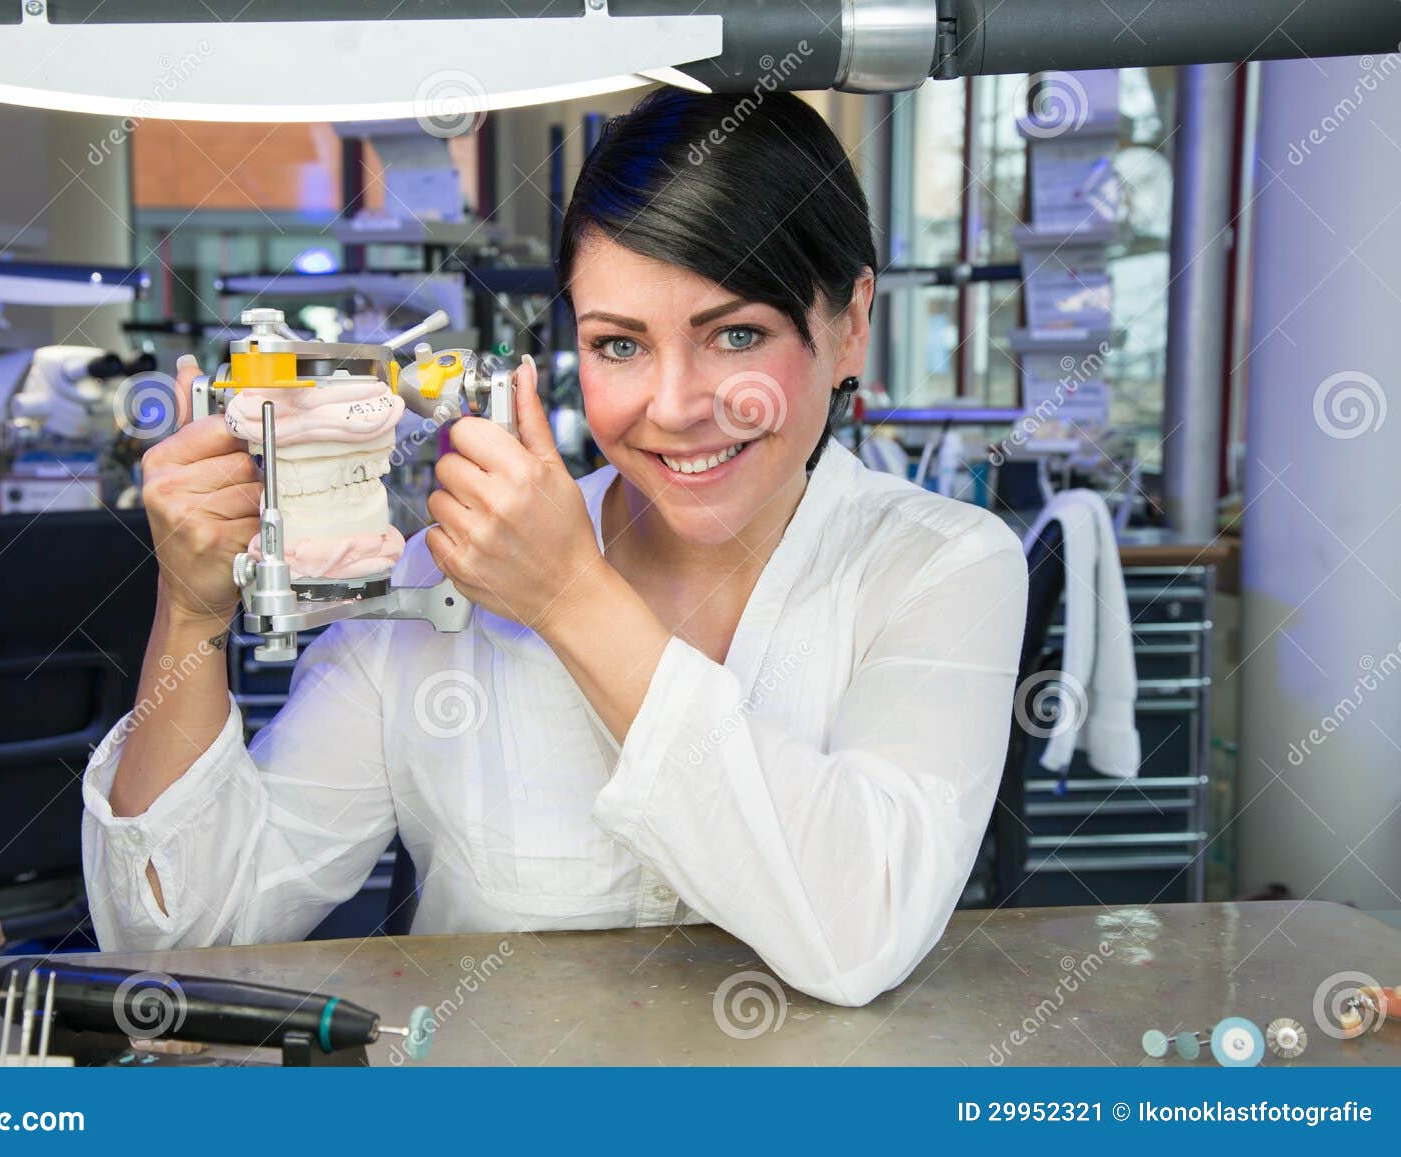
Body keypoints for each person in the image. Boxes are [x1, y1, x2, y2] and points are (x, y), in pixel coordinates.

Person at [81, 88, 1027, 1006]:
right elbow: (181, 937)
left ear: (851, 321)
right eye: (620, 345)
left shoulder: (943, 566)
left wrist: (571, 597)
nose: (675, 405)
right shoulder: (440, 584)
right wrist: (192, 611)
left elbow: (860, 930)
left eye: (737, 333)